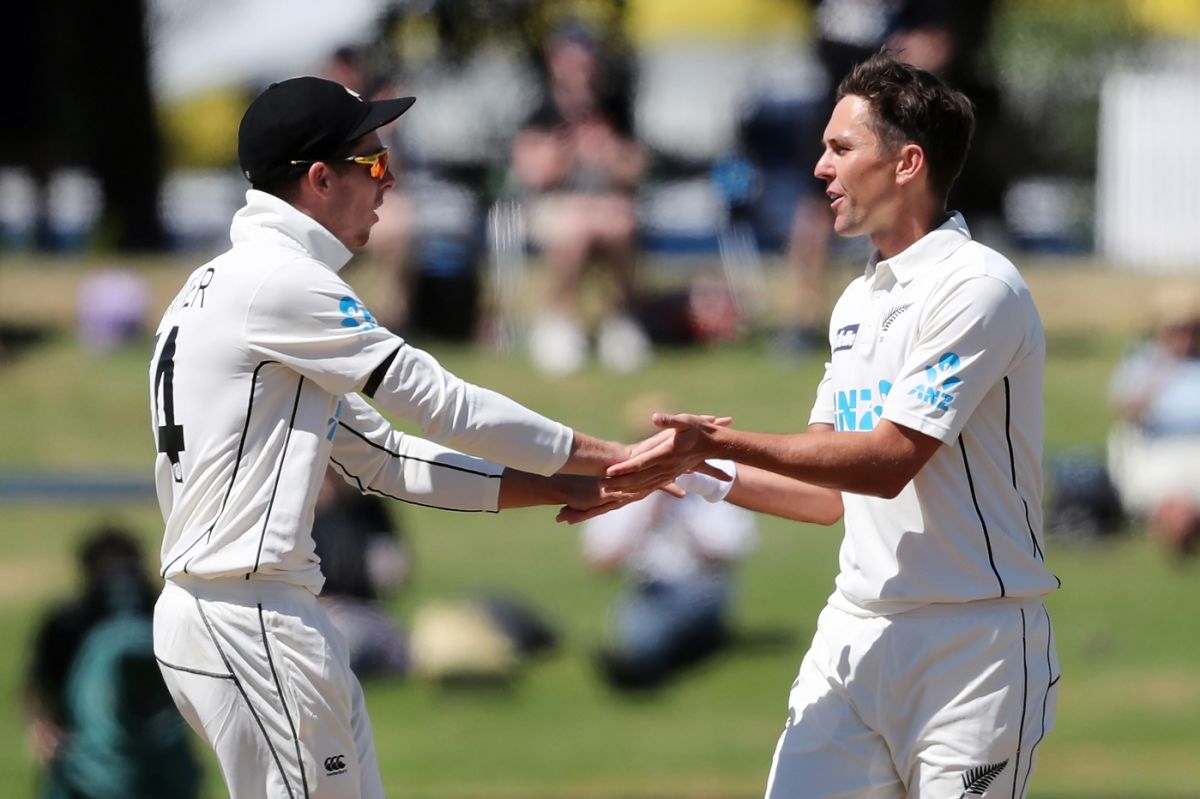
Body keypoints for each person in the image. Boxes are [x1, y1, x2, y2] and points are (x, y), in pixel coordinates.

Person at [148, 76, 660, 799]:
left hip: (243, 613)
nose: (390, 185)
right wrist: (616, 455)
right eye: (377, 164)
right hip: (250, 614)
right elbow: (441, 403)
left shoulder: (227, 282)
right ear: (321, 179)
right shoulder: (284, 282)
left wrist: (567, 484)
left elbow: (383, 459)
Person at [584, 52, 1061, 798]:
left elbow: (886, 459)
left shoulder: (978, 286)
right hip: (854, 632)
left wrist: (715, 440)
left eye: (841, 148)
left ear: (907, 163)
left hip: (974, 649)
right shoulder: (855, 303)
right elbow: (823, 489)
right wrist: (687, 467)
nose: (818, 168)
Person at [512, 22, 650, 375]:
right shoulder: (539, 110)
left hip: (605, 205)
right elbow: (534, 173)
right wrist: (569, 151)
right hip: (553, 207)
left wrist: (607, 152)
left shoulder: (614, 109)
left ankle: (620, 321)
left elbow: (636, 168)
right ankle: (556, 322)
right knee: (574, 227)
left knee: (618, 222)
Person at [24, 524, 200, 799]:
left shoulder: (166, 614)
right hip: (87, 756)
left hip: (159, 752)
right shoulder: (68, 623)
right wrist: (42, 726)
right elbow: (38, 680)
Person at [583, 456, 757, 690]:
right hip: (649, 589)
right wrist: (646, 518)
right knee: (639, 624)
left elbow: (728, 553)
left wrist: (682, 517)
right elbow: (600, 563)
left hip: (701, 587)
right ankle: (639, 661)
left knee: (659, 628)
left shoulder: (711, 485)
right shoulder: (622, 495)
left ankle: (647, 663)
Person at [1107, 286, 1200, 558]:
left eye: (1192, 330)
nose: (1186, 338)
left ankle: (1180, 530)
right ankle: (1178, 530)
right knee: (1169, 493)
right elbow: (1127, 410)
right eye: (1178, 330)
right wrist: (1162, 367)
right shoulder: (1144, 363)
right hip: (1156, 447)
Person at [311, 466, 411, 678]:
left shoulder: (368, 508)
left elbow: (391, 575)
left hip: (360, 613)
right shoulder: (300, 508)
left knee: (344, 642)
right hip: (310, 611)